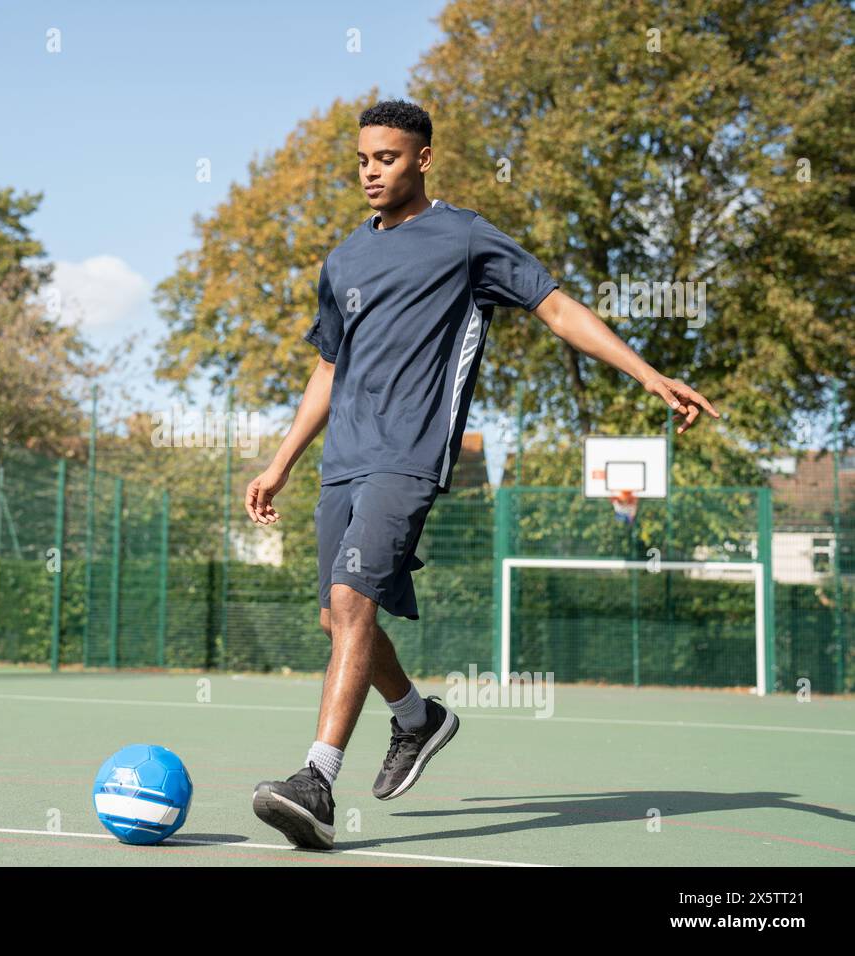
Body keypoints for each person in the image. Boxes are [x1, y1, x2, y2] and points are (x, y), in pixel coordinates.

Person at [243, 99, 719, 850]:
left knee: (351, 598)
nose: (372, 171)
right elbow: (329, 368)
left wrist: (649, 375)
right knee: (340, 621)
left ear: (423, 159)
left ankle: (317, 781)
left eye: (389, 158)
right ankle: (418, 719)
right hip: (344, 462)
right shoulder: (344, 259)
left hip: (410, 456)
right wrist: (279, 463)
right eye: (364, 159)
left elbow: (557, 309)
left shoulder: (464, 238)